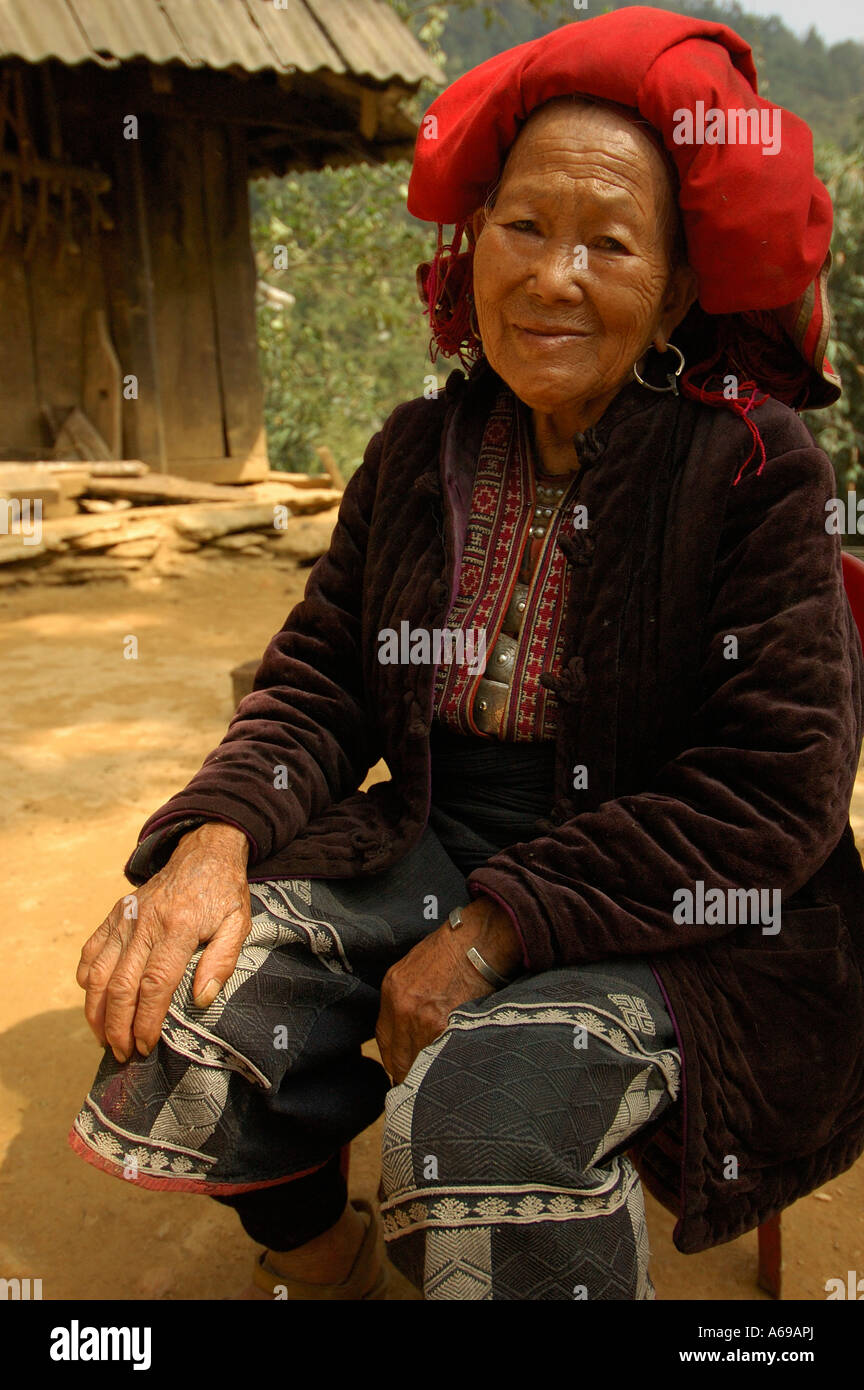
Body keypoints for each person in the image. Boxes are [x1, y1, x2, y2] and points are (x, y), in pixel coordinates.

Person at [71, 8, 864, 1301]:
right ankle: (332, 1275)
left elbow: (775, 789)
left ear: (672, 289)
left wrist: (499, 930)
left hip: (683, 891)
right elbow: (321, 676)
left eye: (610, 243)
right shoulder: (416, 450)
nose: (555, 275)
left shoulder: (755, 466)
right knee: (195, 1005)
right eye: (525, 228)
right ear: (472, 245)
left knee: (484, 1111)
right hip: (439, 833)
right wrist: (211, 841)